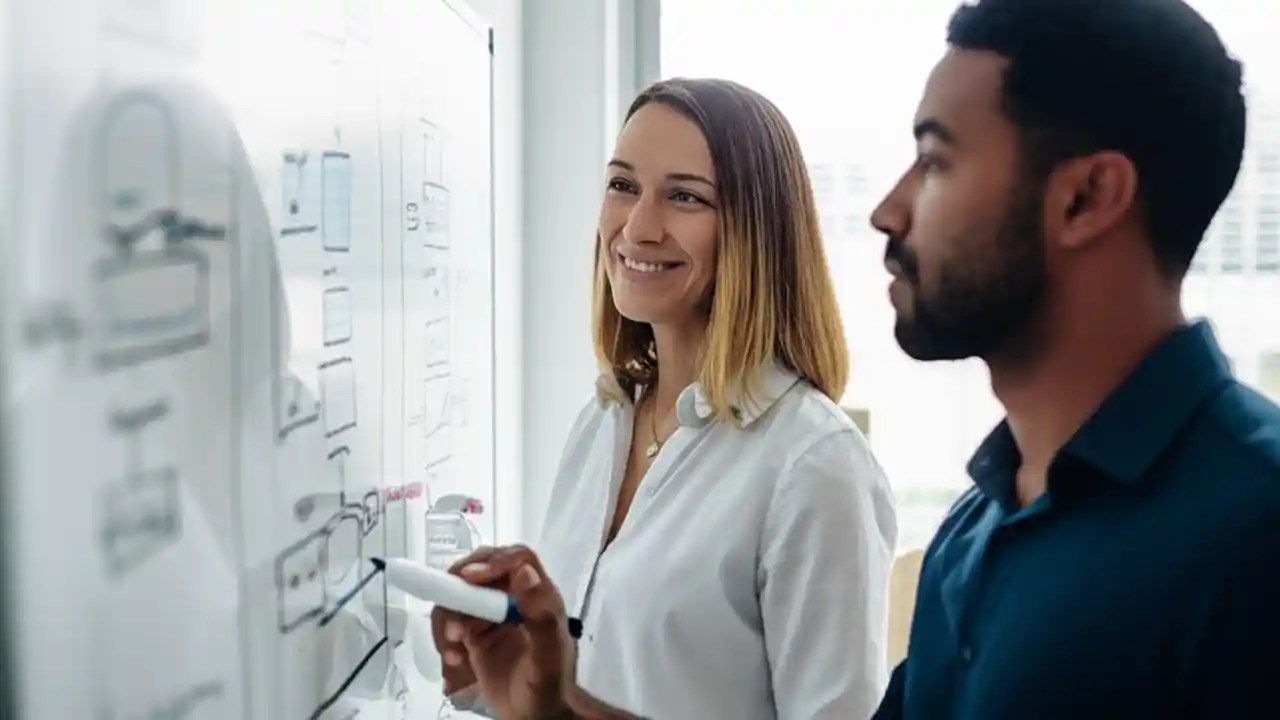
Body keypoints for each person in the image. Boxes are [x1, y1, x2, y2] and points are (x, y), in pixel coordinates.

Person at [436, 0, 1280, 717]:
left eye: (938, 160)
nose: (886, 210)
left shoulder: (1254, 529)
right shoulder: (979, 531)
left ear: (1088, 197)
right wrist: (555, 706)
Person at [432, 78, 898, 719]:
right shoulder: (603, 423)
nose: (638, 226)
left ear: (754, 231)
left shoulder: (814, 465)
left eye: (684, 197)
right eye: (623, 186)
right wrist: (495, 676)